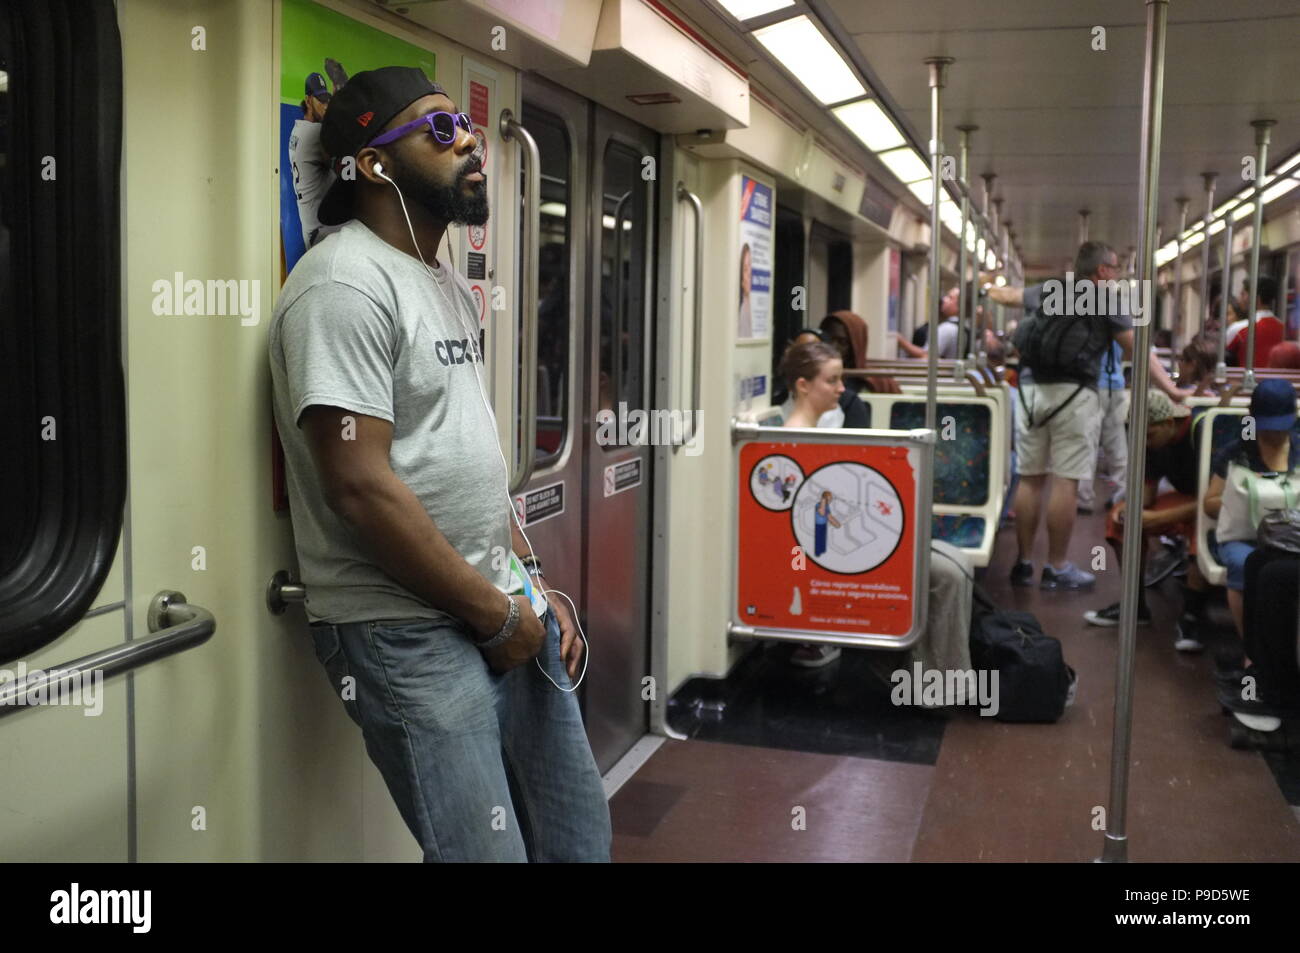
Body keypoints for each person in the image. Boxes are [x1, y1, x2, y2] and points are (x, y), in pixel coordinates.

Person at [268, 67, 610, 862]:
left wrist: (532, 581)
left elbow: (469, 452)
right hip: (407, 626)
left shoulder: (445, 287)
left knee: (575, 837)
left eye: (468, 126)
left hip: (498, 595)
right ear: (376, 165)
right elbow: (358, 485)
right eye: (441, 131)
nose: (471, 146)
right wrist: (494, 614)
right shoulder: (342, 286)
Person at [986, 240, 1191, 591]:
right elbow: (1139, 351)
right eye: (1115, 270)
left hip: (1031, 391)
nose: (1118, 276)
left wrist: (988, 286)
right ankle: (1057, 566)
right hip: (1075, 395)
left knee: (1031, 477)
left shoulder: (1048, 290)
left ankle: (1022, 564)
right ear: (1103, 271)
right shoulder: (1106, 300)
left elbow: (1008, 297)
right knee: (1065, 480)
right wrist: (1173, 391)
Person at [1082, 391, 1210, 652]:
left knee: (1202, 530)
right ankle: (1135, 605)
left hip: (1212, 504)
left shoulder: (1204, 433)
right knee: (1120, 519)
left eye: (1150, 436)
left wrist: (1158, 518)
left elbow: (1216, 500)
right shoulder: (1151, 442)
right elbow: (1147, 491)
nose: (1146, 443)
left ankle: (1192, 617)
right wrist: (1131, 508)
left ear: (1168, 424)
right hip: (1183, 499)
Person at [1203, 378, 1300, 639]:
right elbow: (1210, 504)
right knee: (1244, 564)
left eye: (1280, 427)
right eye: (1266, 427)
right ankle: (1254, 649)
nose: (1273, 434)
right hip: (1244, 537)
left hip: (1293, 541)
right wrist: (1241, 500)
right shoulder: (1236, 453)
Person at [779, 327, 869, 427]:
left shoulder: (809, 430)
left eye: (840, 379)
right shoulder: (796, 436)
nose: (841, 389)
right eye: (831, 380)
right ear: (803, 386)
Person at [1076, 339, 1127, 515]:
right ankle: (1122, 494)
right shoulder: (1121, 317)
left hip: (1094, 384)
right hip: (1117, 384)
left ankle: (1084, 498)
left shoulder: (1089, 318)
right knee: (1117, 443)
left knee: (1087, 444)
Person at [821, 310, 902, 395]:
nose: (832, 347)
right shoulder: (812, 378)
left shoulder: (879, 382)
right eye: (828, 340)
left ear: (855, 345)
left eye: (842, 342)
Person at [1225, 276, 1282, 368]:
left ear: (1256, 298)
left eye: (1243, 294)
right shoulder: (1283, 327)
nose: (1239, 299)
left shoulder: (1239, 329)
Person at [894, 286, 959, 359]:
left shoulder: (947, 328)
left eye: (950, 298)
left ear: (960, 304)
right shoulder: (960, 326)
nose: (944, 299)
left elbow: (927, 357)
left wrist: (901, 342)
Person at [738, 243, 753, 339]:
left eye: (750, 269)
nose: (749, 276)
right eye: (745, 269)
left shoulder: (747, 305)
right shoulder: (740, 312)